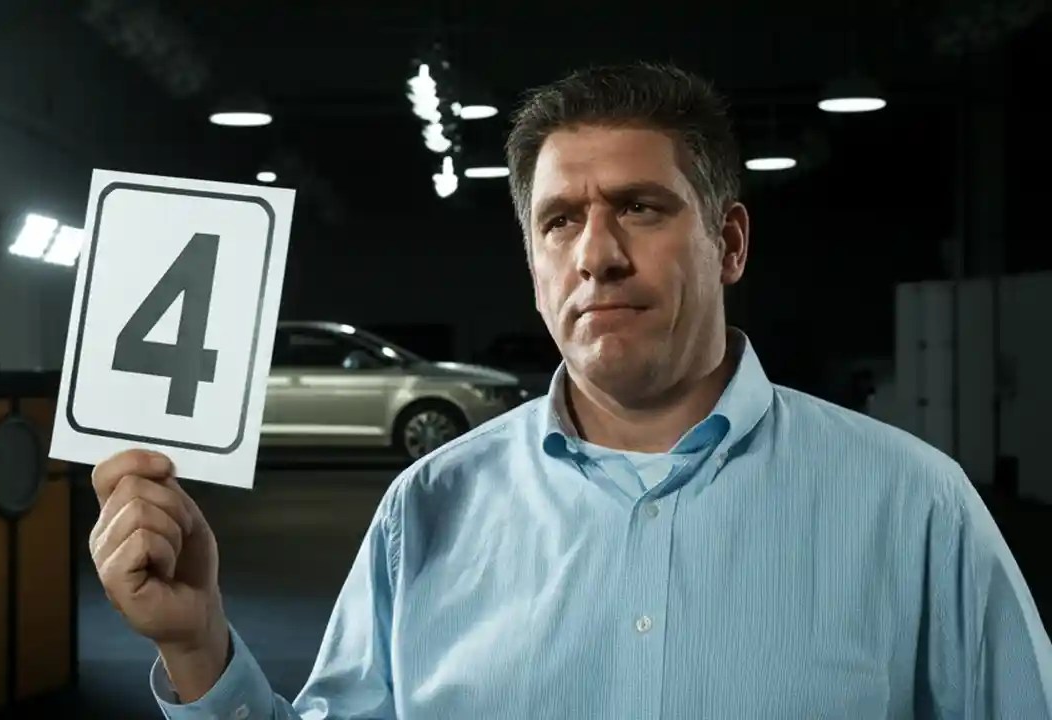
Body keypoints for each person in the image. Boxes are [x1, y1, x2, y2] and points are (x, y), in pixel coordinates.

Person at [89, 63, 1052, 718]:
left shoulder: (916, 505)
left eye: (640, 207)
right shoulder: (426, 509)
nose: (596, 254)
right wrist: (200, 645)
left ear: (730, 243)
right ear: (533, 263)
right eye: (558, 222)